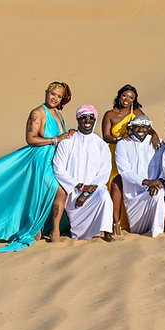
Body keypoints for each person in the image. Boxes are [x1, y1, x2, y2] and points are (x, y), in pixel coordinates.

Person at [101, 84, 160, 232]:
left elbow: (148, 126)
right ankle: (115, 222)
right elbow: (106, 136)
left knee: (131, 181)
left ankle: (129, 221)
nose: (127, 99)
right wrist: (120, 138)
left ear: (134, 100)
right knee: (115, 183)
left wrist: (155, 135)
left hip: (132, 153)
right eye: (124, 96)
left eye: (131, 97)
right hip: (115, 152)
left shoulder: (137, 112)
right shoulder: (110, 114)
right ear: (119, 95)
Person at [52, 104, 115, 242]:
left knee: (104, 195)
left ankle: (107, 231)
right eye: (84, 117)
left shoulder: (101, 145)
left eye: (91, 118)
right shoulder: (67, 142)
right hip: (73, 191)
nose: (87, 120)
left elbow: (104, 173)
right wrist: (79, 186)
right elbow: (58, 169)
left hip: (93, 191)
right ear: (78, 119)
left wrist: (86, 192)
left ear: (95, 120)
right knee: (77, 235)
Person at [27, 81, 77, 244]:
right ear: (46, 93)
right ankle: (45, 229)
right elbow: (30, 138)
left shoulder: (58, 114)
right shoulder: (37, 113)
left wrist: (68, 133)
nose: (55, 98)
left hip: (56, 159)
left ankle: (47, 229)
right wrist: (56, 139)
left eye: (59, 96)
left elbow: (60, 136)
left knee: (59, 191)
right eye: (53, 93)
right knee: (60, 190)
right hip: (41, 159)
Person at [114, 114, 165, 237]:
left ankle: (157, 235)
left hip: (155, 188)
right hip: (133, 195)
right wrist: (147, 182)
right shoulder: (123, 144)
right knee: (137, 230)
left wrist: (159, 182)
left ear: (149, 129)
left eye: (144, 126)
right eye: (137, 126)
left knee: (159, 194)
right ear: (132, 128)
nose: (141, 129)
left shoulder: (159, 143)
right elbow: (124, 171)